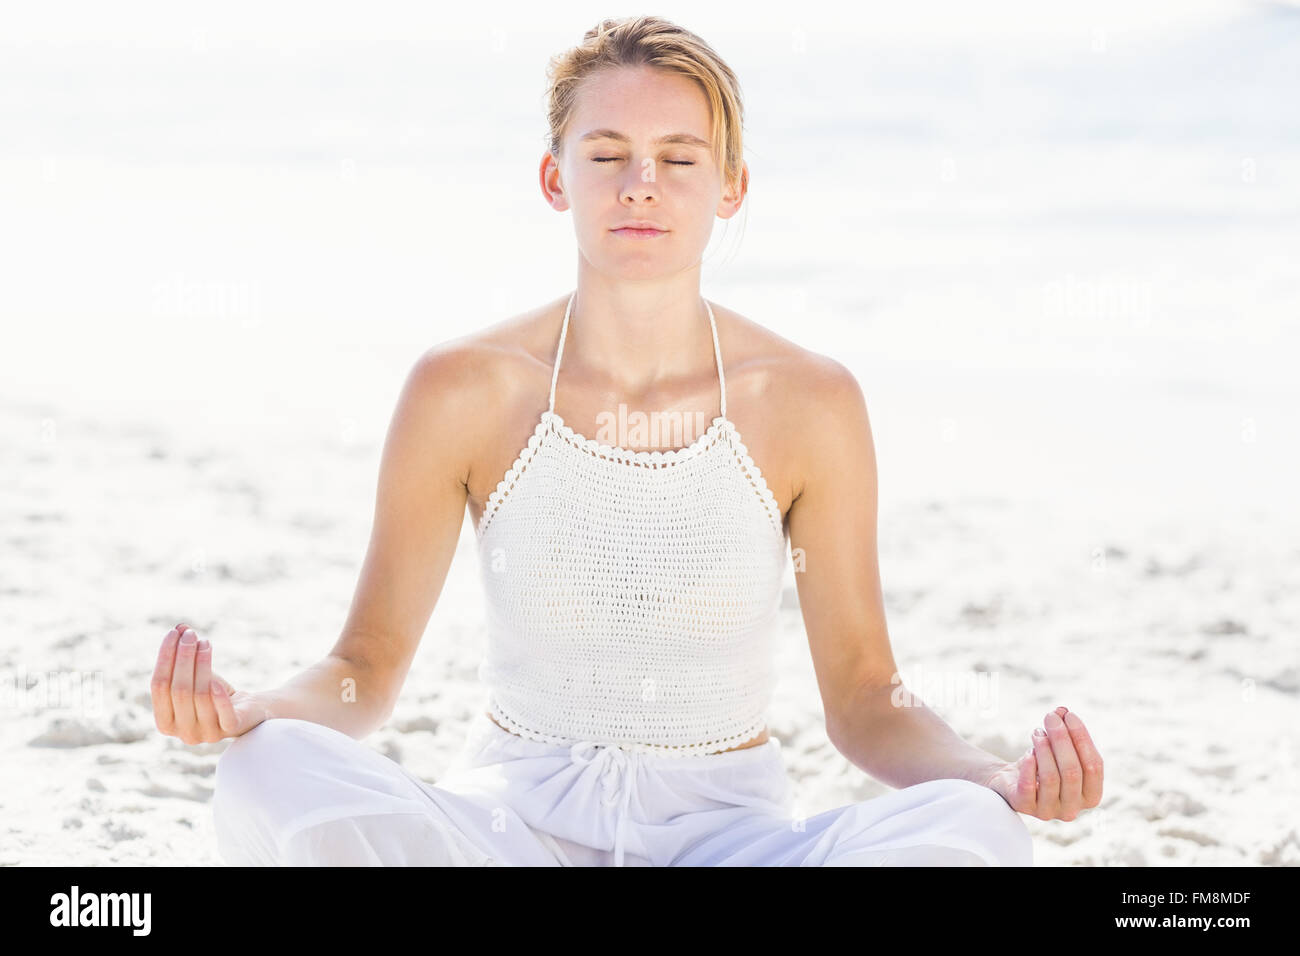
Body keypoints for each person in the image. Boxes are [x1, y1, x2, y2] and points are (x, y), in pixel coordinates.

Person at [151, 15, 1103, 866]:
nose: (642, 185)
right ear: (554, 175)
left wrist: (997, 776)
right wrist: (258, 712)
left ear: (729, 186)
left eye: (680, 158)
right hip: (510, 827)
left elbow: (862, 700)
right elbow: (364, 671)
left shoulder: (809, 401)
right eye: (607, 154)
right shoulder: (463, 387)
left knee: (973, 833)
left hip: (729, 835)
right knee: (266, 772)